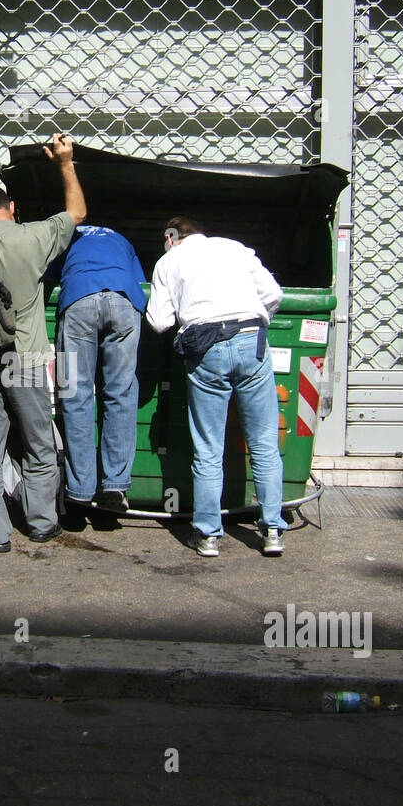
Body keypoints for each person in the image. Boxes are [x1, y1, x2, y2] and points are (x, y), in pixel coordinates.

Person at [0, 133, 86, 552]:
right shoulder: (34, 236)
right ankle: (41, 522)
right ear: (12, 208)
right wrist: (65, 163)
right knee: (38, 442)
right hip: (24, 360)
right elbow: (77, 212)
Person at [145, 216, 286, 557]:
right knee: (264, 442)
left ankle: (207, 535)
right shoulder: (234, 248)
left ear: (171, 237)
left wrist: (185, 309)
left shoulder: (169, 261)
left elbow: (159, 321)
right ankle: (271, 532)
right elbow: (273, 294)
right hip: (251, 338)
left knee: (208, 447)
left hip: (205, 347)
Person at [47, 225, 146, 513]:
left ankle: (79, 488)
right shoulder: (122, 239)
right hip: (123, 300)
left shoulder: (66, 236)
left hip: (79, 300)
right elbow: (140, 282)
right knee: (120, 393)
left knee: (75, 394)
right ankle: (115, 484)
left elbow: (48, 278)